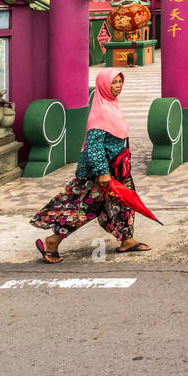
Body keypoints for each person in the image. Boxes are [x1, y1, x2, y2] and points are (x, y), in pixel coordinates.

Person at [30, 69, 151, 262]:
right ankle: (51, 242)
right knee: (83, 209)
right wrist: (103, 173)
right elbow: (94, 147)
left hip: (118, 170)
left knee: (124, 203)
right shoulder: (100, 113)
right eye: (113, 83)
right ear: (104, 85)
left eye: (120, 82)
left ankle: (127, 240)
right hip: (99, 174)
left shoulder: (112, 106)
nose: (118, 86)